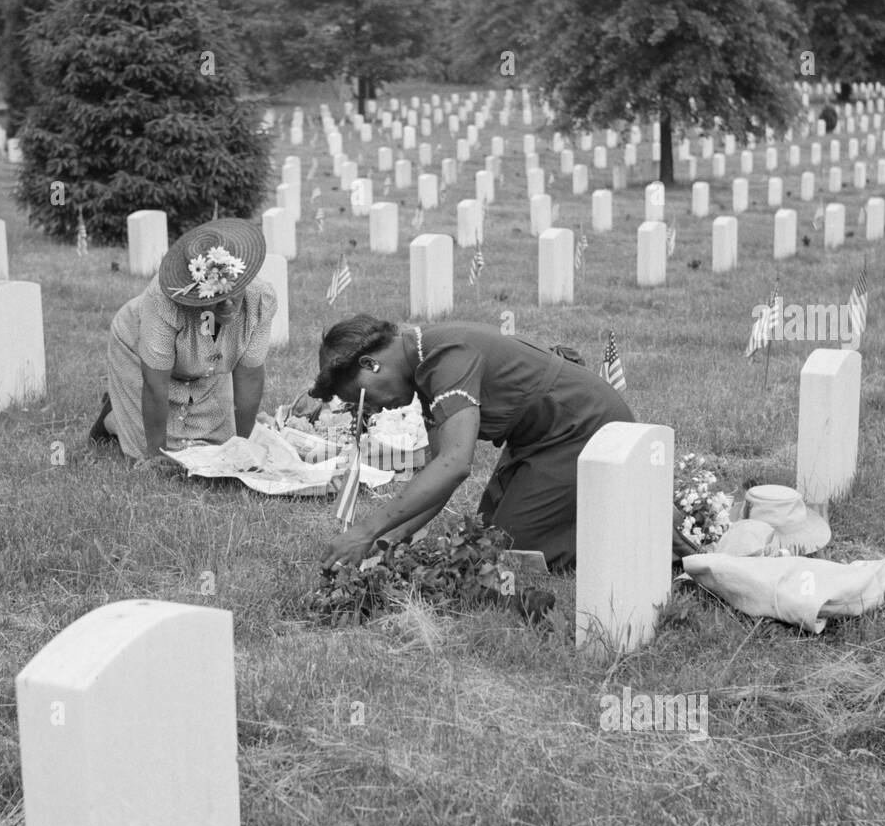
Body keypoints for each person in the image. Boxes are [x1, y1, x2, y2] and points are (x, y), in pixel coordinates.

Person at [313, 316, 698, 572]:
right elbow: (440, 476)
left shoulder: (445, 355)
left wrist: (365, 530)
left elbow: (456, 463)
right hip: (539, 440)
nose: (375, 407)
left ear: (369, 364)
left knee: (517, 553)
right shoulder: (423, 366)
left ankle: (659, 541)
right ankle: (627, 510)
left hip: (582, 428)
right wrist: (386, 541)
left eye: (365, 396)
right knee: (487, 538)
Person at [89, 218, 276, 464]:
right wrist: (156, 457)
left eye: (234, 293)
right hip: (136, 349)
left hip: (203, 363)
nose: (228, 304)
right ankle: (113, 417)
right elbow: (156, 384)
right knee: (157, 453)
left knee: (214, 446)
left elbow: (249, 376)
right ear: (197, 294)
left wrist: (242, 446)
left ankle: (124, 407)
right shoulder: (163, 302)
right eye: (217, 298)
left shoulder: (261, 300)